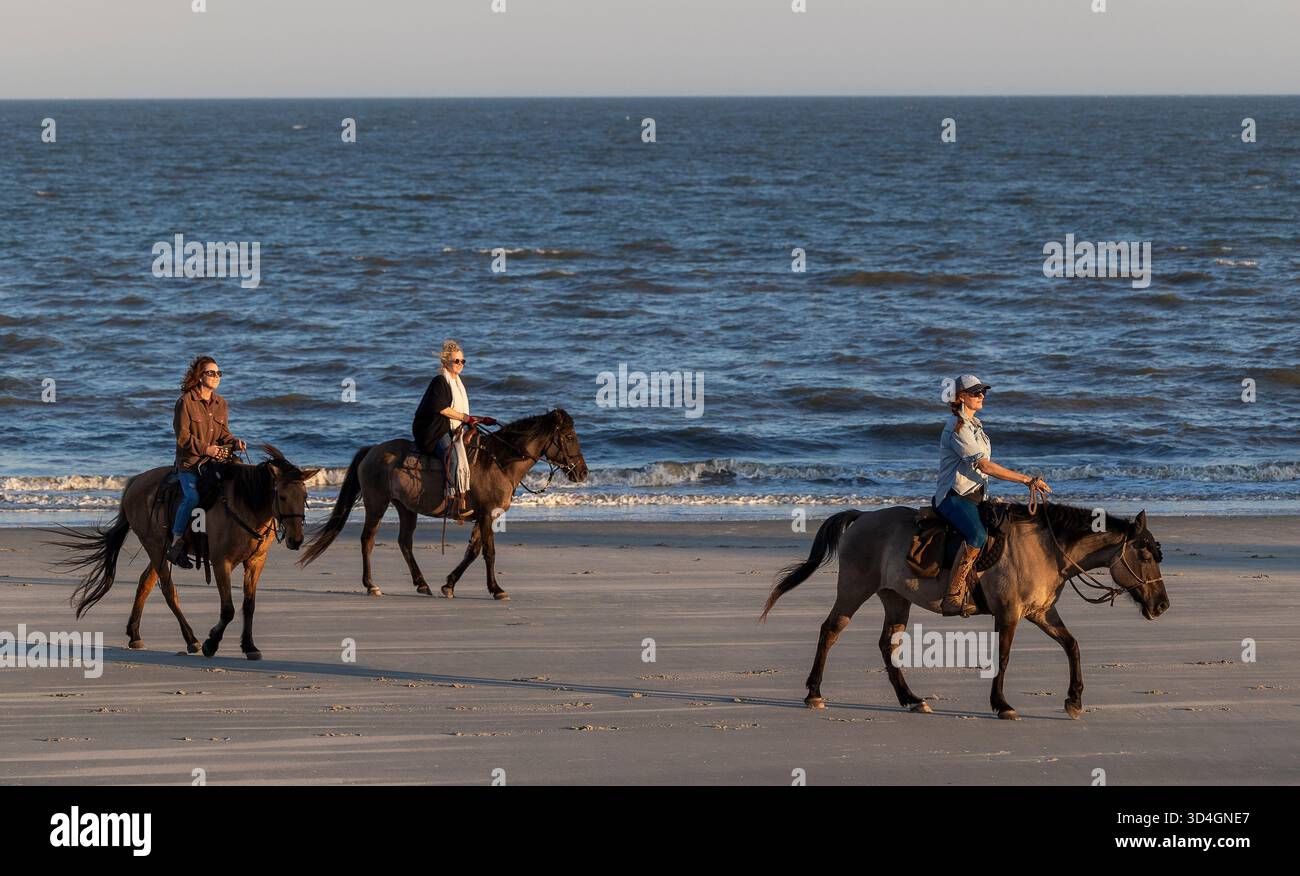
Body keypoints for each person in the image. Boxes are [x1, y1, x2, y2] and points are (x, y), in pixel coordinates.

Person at [934, 374, 1051, 616]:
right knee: (977, 535)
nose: (981, 396)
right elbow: (985, 467)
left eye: (983, 392)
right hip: (953, 497)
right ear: (960, 397)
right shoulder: (958, 428)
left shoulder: (975, 426)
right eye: (975, 392)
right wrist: (1027, 480)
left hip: (975, 496)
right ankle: (952, 595)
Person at [168, 356, 246, 567]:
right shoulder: (185, 402)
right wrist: (207, 449)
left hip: (215, 462)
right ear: (199, 376)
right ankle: (176, 541)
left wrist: (235, 442)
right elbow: (182, 438)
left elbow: (224, 434)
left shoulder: (221, 403)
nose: (216, 377)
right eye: (211, 373)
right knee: (192, 497)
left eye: (218, 373)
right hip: (190, 463)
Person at [412, 339, 496, 519]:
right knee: (453, 456)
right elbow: (443, 409)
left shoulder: (457, 382)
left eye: (462, 361)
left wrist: (476, 419)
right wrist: (465, 418)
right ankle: (452, 501)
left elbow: (459, 412)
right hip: (433, 430)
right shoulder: (440, 381)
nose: (460, 364)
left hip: (451, 427)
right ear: (445, 362)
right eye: (456, 361)